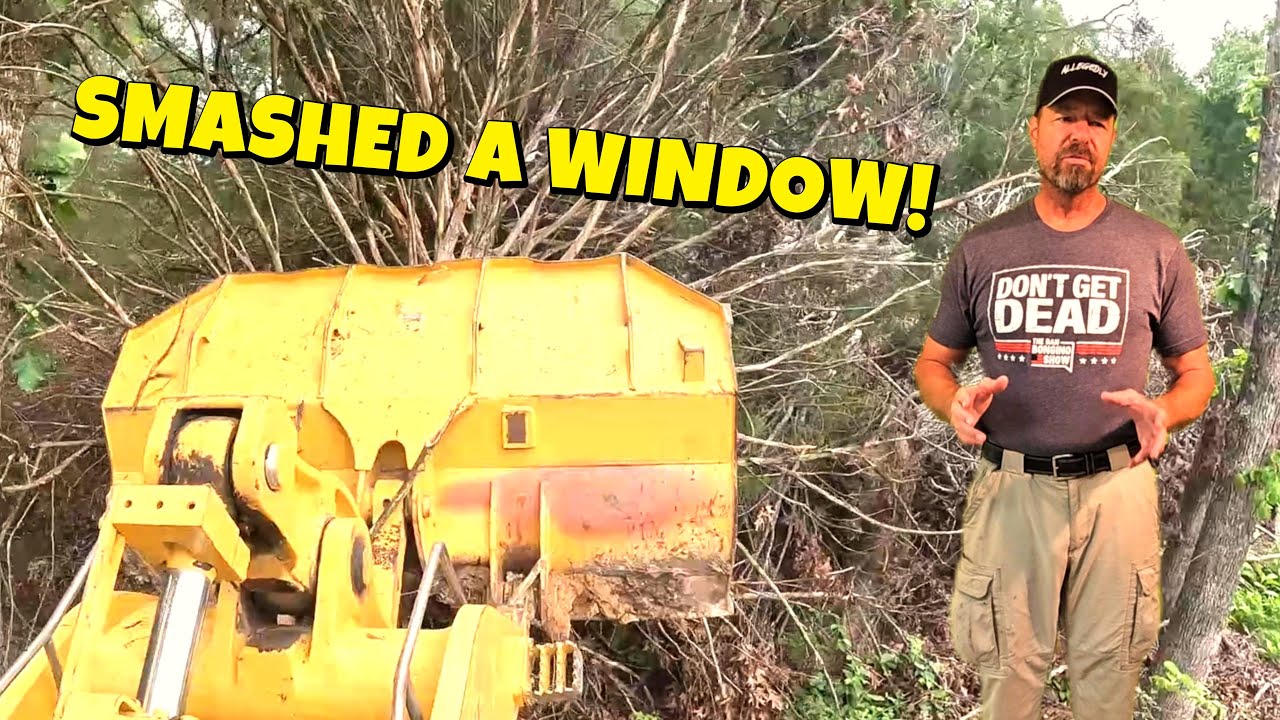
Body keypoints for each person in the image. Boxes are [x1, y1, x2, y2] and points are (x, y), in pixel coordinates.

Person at [913, 54, 1216, 719]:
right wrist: (951, 402)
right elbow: (934, 364)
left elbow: (1196, 375)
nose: (1080, 134)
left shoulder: (1155, 248)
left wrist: (1164, 411)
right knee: (1007, 686)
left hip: (1119, 490)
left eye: (1096, 122)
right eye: (1065, 118)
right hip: (1013, 491)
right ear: (1035, 130)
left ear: (1111, 138)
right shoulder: (984, 249)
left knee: (1108, 690)